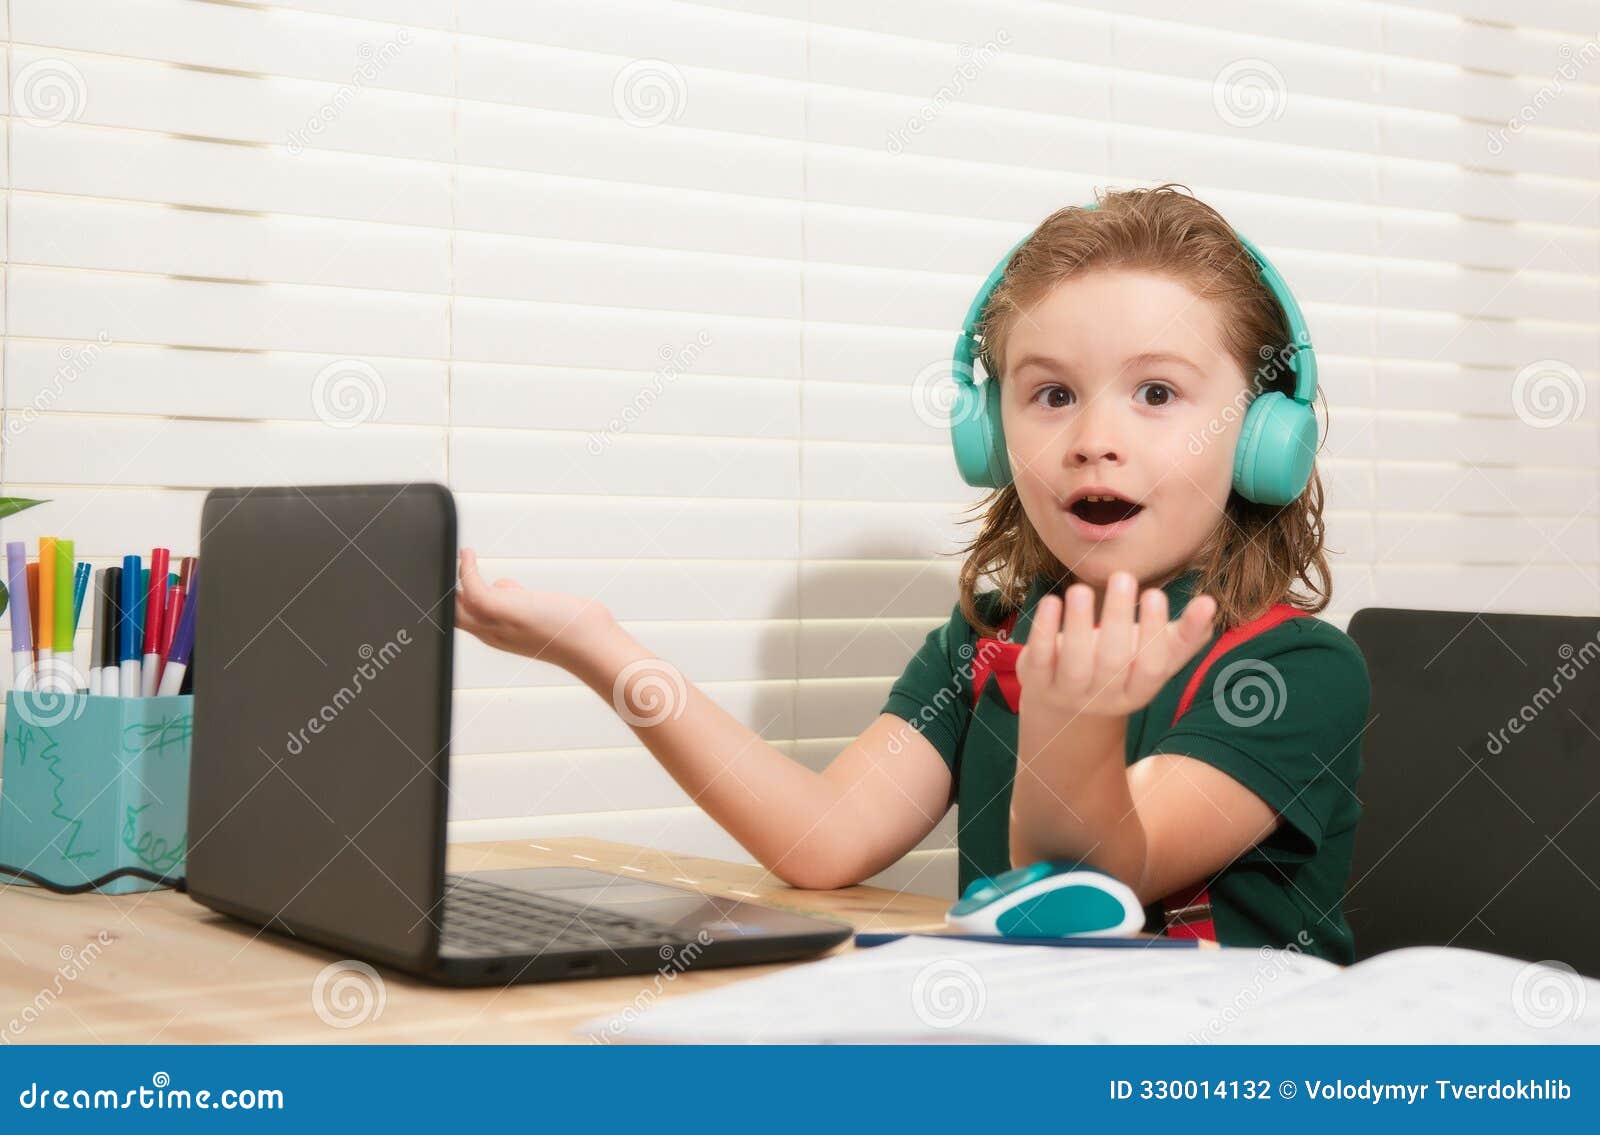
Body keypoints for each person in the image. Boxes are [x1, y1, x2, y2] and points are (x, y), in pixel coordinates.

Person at [455, 184, 1370, 962]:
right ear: (989, 435)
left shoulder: (1293, 672)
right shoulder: (988, 639)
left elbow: (1095, 881)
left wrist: (1069, 721)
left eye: (1157, 394)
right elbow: (822, 840)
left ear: (1263, 436)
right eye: (1051, 394)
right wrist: (598, 649)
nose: (1094, 439)